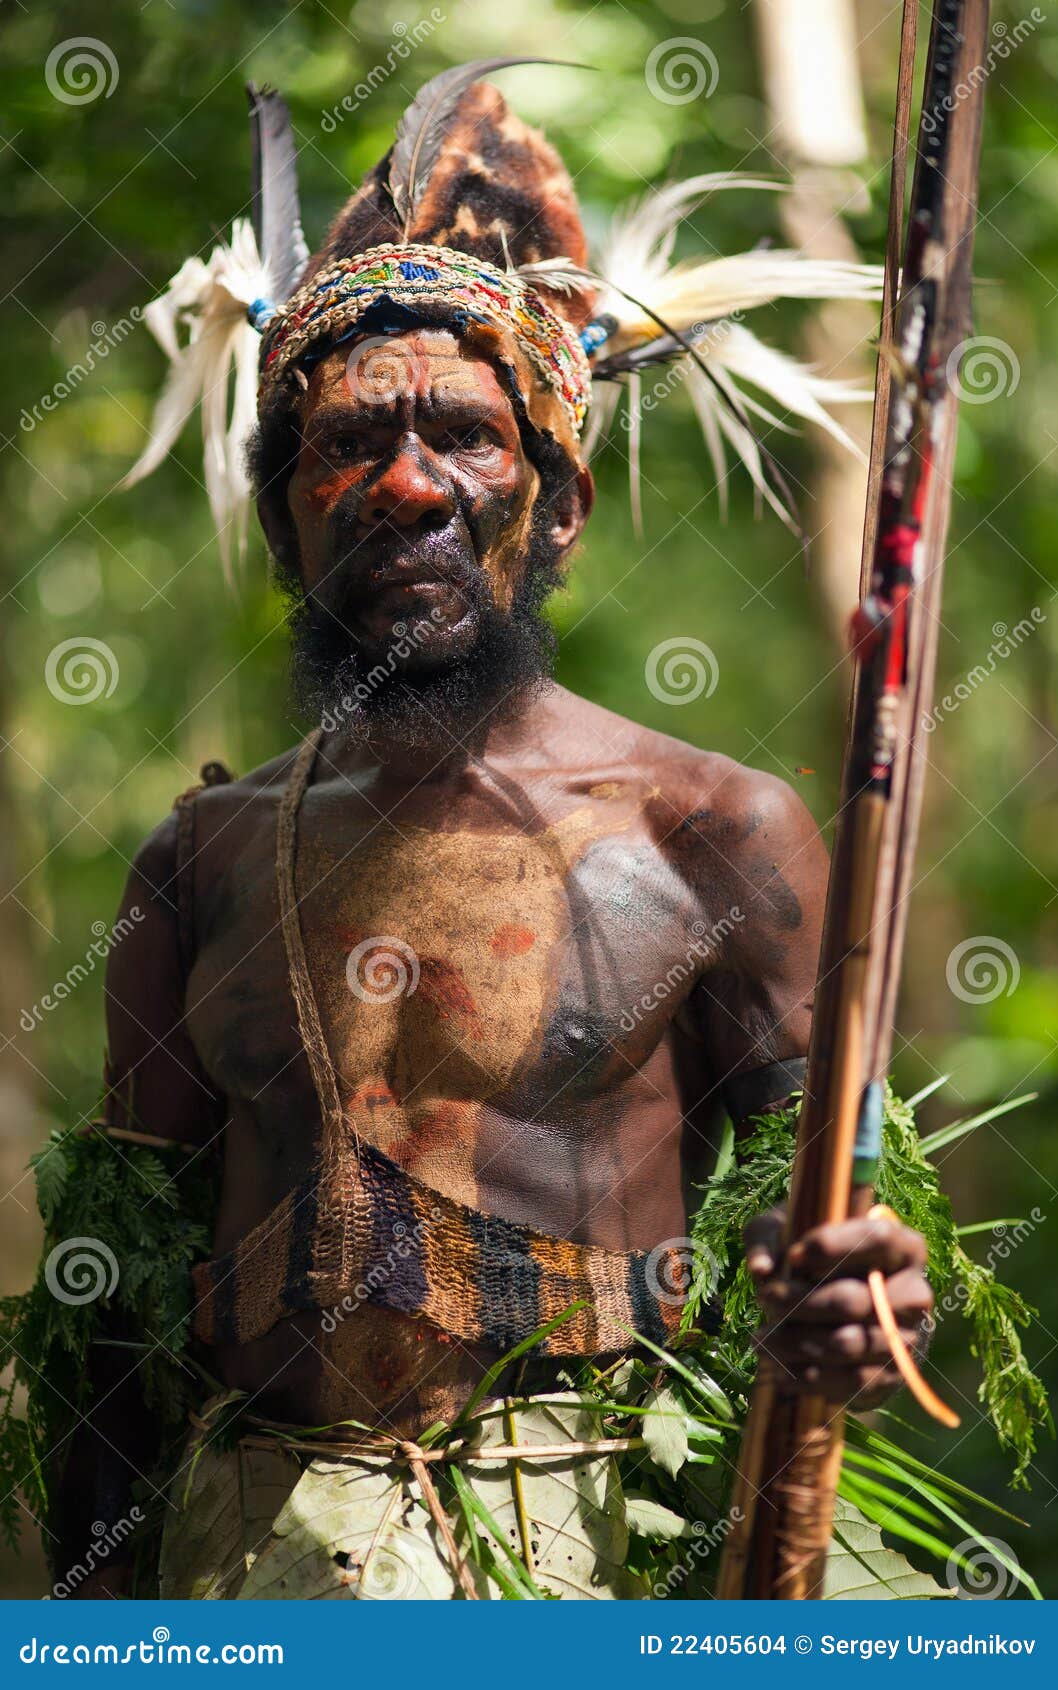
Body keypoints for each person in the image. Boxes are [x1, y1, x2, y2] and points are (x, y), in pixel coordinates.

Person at [51, 67, 930, 1598]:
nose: (407, 484)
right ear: (283, 519)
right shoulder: (201, 862)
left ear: (559, 502)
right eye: (348, 445)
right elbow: (114, 1322)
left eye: (463, 435)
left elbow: (844, 1221)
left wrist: (866, 1305)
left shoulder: (712, 830)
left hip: (602, 1536)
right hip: (262, 1551)